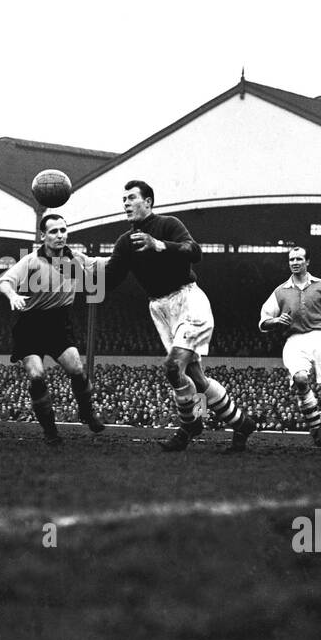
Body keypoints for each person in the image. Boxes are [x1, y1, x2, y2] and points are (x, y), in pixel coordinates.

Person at [103, 180, 256, 453]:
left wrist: (159, 245)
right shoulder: (125, 242)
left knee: (173, 367)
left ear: (148, 202)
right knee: (196, 378)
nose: (125, 203)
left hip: (187, 301)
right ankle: (241, 422)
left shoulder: (168, 224)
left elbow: (194, 251)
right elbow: (110, 278)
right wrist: (74, 270)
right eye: (123, 199)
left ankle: (191, 425)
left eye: (131, 198)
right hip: (160, 309)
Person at [0, 213, 106, 445]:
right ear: (43, 236)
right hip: (30, 325)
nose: (60, 235)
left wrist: (127, 255)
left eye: (63, 230)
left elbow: (101, 264)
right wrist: (12, 294)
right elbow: (3, 282)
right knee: (37, 376)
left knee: (77, 369)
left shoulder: (74, 258)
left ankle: (86, 412)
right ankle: (50, 431)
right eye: (54, 231)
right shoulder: (31, 261)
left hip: (58, 323)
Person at [258, 245, 321, 449]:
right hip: (295, 339)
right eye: (292, 260)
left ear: (307, 262)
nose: (295, 263)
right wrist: (276, 321)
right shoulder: (280, 291)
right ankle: (316, 427)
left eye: (299, 259)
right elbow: (263, 321)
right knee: (300, 379)